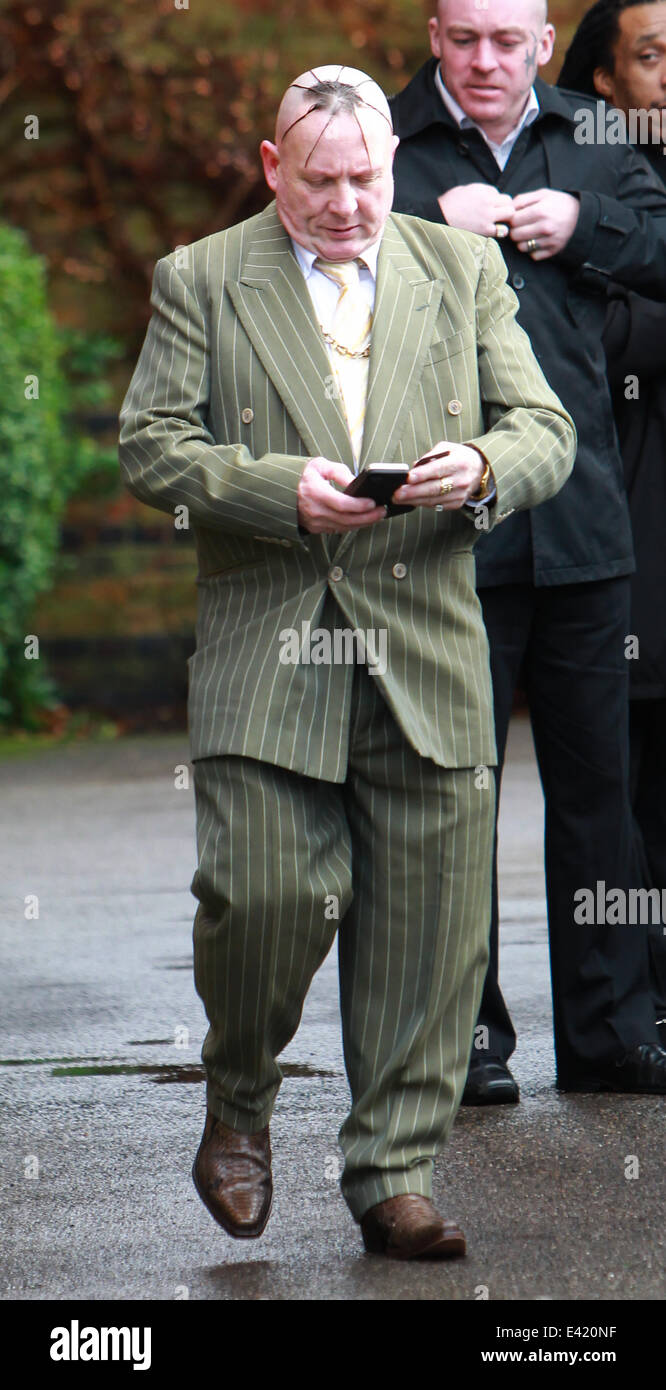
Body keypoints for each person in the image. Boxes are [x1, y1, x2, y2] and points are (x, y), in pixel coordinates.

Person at [118, 64, 575, 1260]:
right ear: (275, 168)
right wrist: (279, 492)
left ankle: (393, 1173)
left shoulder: (463, 267)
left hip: (428, 651)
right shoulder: (201, 278)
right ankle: (240, 1098)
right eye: (316, 179)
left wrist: (478, 469)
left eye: (364, 177)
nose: (343, 202)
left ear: (391, 166)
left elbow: (545, 429)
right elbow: (154, 447)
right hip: (269, 656)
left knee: (429, 934)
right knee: (262, 897)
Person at [389, 0, 666, 1102]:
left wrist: (583, 225)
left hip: (589, 525)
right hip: (452, 524)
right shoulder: (389, 141)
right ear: (434, 35)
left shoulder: (599, 136)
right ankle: (462, 1037)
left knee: (600, 796)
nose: (488, 62)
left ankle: (610, 1034)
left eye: (510, 41)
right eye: (466, 39)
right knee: (454, 795)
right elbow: (316, 240)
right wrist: (425, 227)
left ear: (546, 43)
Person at [558, 0, 666, 1044]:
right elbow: (603, 334)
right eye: (652, 55)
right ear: (605, 86)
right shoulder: (585, 178)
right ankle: (635, 1007)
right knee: (631, 774)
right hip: (629, 517)